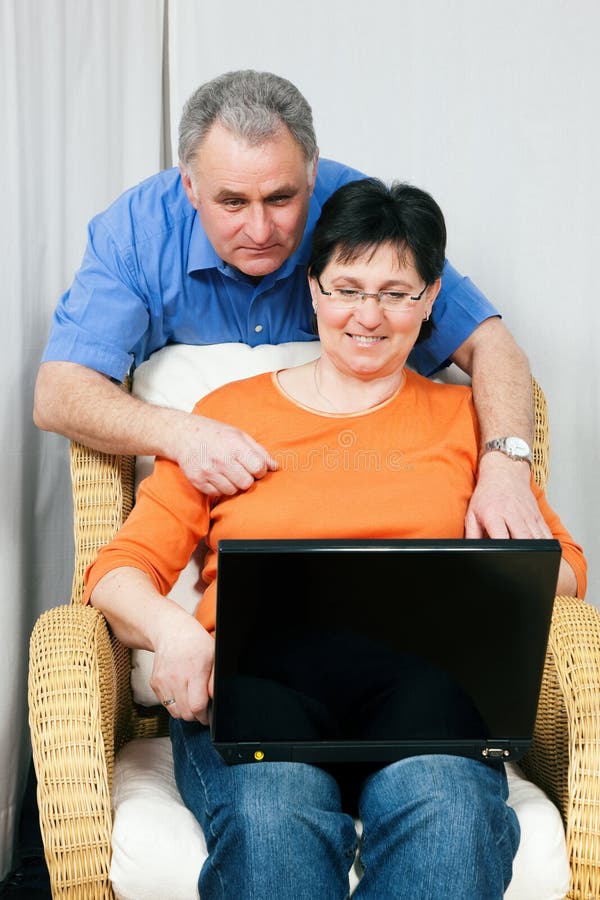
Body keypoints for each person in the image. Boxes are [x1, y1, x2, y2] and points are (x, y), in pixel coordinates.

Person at [84, 178, 586, 899]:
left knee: (449, 816)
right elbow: (117, 569)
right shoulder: (229, 417)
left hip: (429, 709)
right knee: (273, 821)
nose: (368, 316)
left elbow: (563, 566)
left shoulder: (465, 422)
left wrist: (487, 573)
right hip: (259, 703)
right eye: (347, 288)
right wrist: (171, 631)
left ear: (431, 298)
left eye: (396, 293)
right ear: (314, 288)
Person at [34, 69, 545, 539]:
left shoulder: (357, 212)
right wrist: (181, 431)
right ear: (189, 186)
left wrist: (504, 466)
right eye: (232, 202)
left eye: (281, 198)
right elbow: (58, 392)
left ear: (312, 171)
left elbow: (491, 344)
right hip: (220, 490)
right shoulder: (138, 234)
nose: (260, 231)